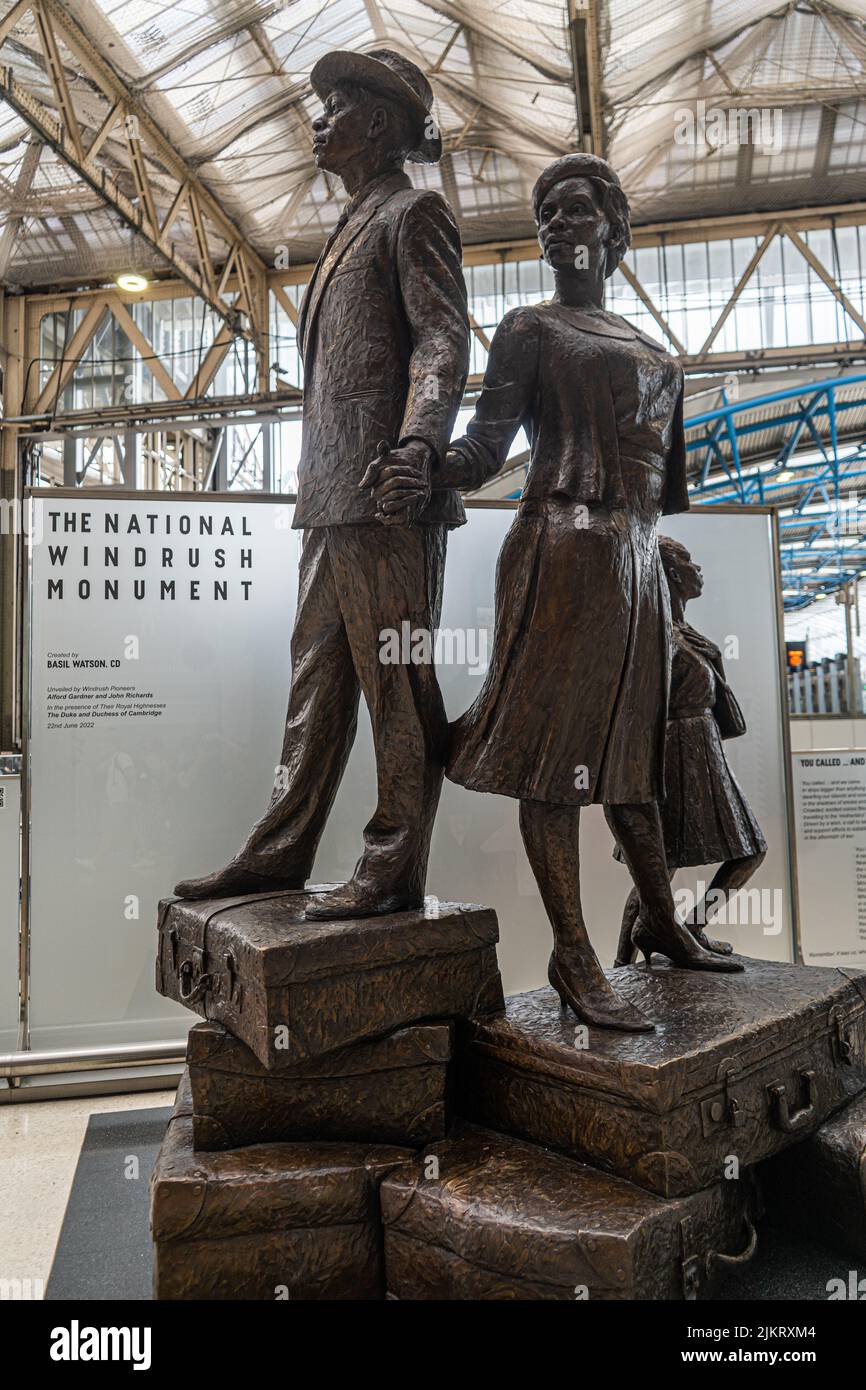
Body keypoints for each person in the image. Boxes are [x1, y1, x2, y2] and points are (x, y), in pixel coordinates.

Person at [412, 154, 743, 1032]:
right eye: (546, 212)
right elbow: (486, 444)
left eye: (576, 209)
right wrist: (429, 463)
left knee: (632, 758)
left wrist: (666, 597)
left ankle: (664, 921)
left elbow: (658, 500)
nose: (557, 223)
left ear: (612, 228)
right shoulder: (528, 328)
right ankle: (573, 950)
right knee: (554, 760)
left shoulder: (660, 358)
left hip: (632, 566)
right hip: (557, 551)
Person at [174, 49, 470, 919]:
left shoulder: (416, 213)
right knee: (318, 679)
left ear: (379, 123)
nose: (317, 120)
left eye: (334, 107)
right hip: (334, 496)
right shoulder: (352, 223)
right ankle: (278, 852)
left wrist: (420, 443)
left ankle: (392, 867)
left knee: (398, 682)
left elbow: (444, 343)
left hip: (385, 492)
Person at [614, 536, 767, 966]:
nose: (698, 569)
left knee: (744, 851)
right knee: (659, 868)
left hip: (704, 752)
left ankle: (692, 929)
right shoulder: (652, 632)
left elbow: (731, 722)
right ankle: (624, 963)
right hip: (673, 754)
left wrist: (715, 661)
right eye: (689, 561)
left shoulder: (688, 635)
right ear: (672, 575)